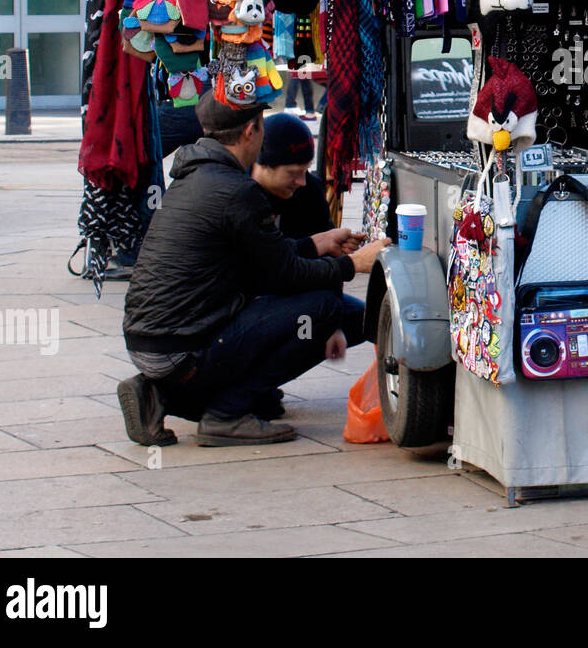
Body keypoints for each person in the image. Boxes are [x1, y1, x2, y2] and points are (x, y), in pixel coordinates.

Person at [119, 92, 387, 447]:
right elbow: (283, 274)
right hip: (184, 349)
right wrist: (354, 264)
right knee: (323, 310)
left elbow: (258, 259)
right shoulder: (237, 191)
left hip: (152, 343)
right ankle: (227, 414)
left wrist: (316, 243)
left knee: (323, 315)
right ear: (251, 131)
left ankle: (158, 393)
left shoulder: (195, 179)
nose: (301, 181)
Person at [251, 112, 365, 347]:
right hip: (250, 303)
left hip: (299, 290)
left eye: (305, 171)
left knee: (362, 318)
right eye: (293, 173)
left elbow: (326, 270)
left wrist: (336, 247)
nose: (301, 181)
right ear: (263, 164)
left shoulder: (309, 190)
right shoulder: (241, 197)